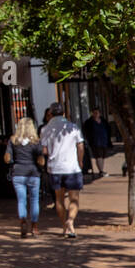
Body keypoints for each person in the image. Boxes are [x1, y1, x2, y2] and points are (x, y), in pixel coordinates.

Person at [40, 102, 86, 239]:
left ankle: (64, 227)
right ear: (64, 113)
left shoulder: (45, 129)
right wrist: (80, 161)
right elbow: (80, 146)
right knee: (74, 199)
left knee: (59, 199)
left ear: (50, 114)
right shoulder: (73, 127)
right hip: (72, 167)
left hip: (55, 168)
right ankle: (71, 221)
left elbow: (44, 150)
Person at [4, 117, 45, 237]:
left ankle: (22, 222)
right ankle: (34, 227)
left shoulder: (13, 140)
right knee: (34, 200)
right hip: (33, 173)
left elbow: (7, 158)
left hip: (18, 173)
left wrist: (12, 161)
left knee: (21, 200)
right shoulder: (36, 142)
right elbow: (41, 160)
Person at [82, 108, 111, 176]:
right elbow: (86, 131)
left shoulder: (103, 121)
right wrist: (89, 139)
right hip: (95, 142)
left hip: (104, 141)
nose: (96, 114)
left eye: (97, 113)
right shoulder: (89, 122)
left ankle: (101, 170)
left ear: (99, 113)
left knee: (102, 156)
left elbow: (108, 129)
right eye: (94, 113)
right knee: (98, 156)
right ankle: (101, 171)